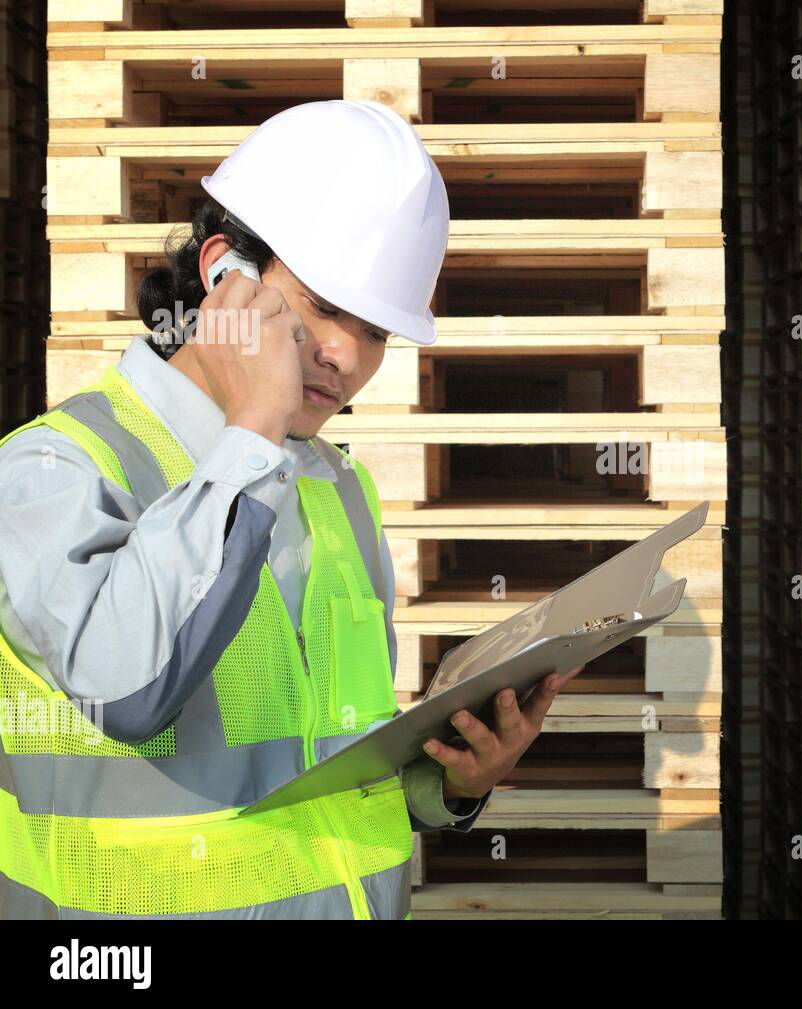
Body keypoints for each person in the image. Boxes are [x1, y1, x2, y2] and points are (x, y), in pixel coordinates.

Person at [0, 99, 581, 919]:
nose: (346, 354)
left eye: (375, 329)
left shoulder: (336, 487)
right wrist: (253, 429)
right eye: (321, 306)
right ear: (222, 274)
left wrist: (454, 783)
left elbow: (336, 769)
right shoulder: (53, 470)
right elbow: (127, 688)